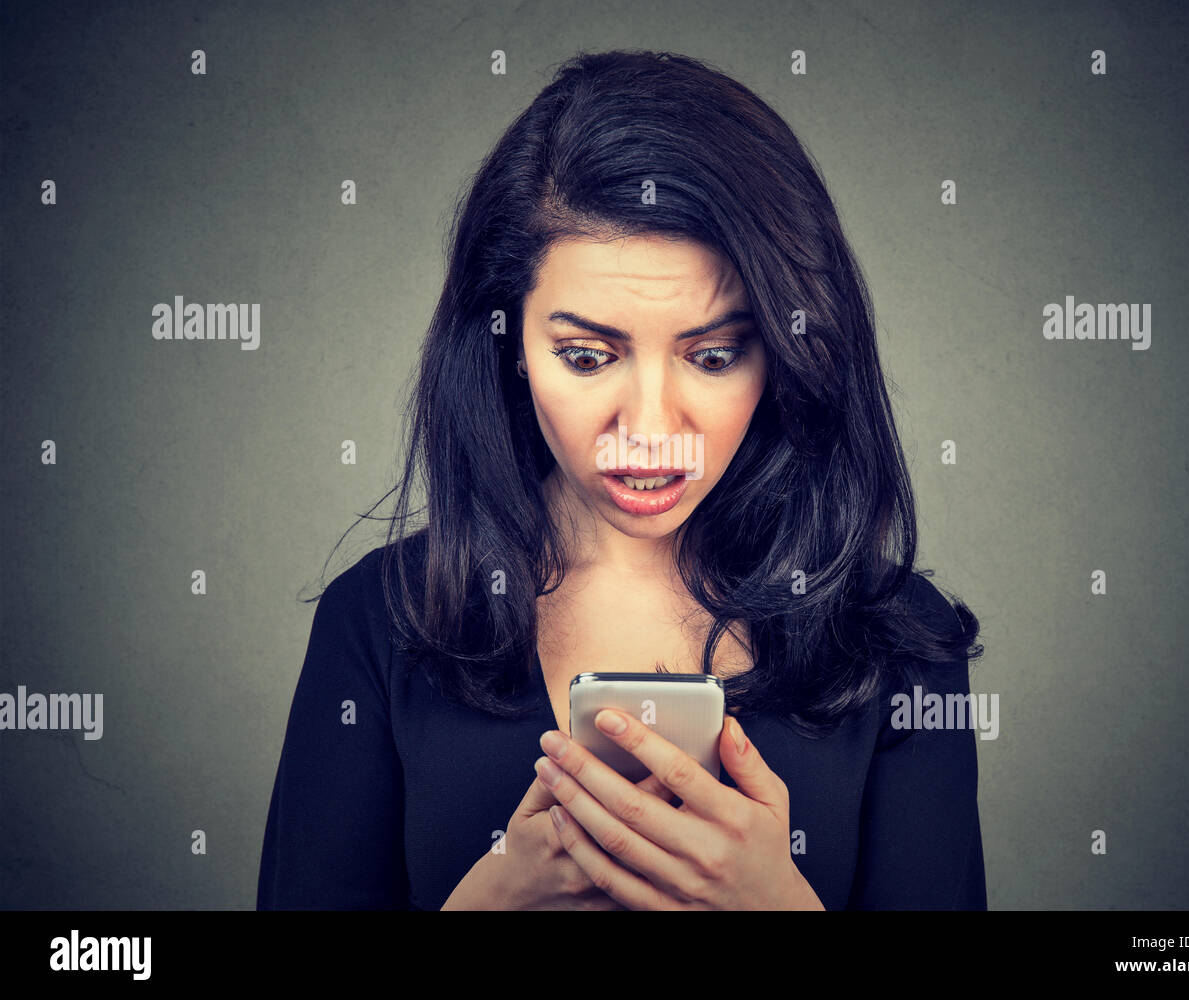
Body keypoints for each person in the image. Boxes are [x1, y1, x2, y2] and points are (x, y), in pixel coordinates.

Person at [257, 49, 987, 910]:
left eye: (713, 356)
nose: (649, 434)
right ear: (509, 347)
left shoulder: (897, 644)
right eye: (587, 356)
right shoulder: (379, 621)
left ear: (788, 353)